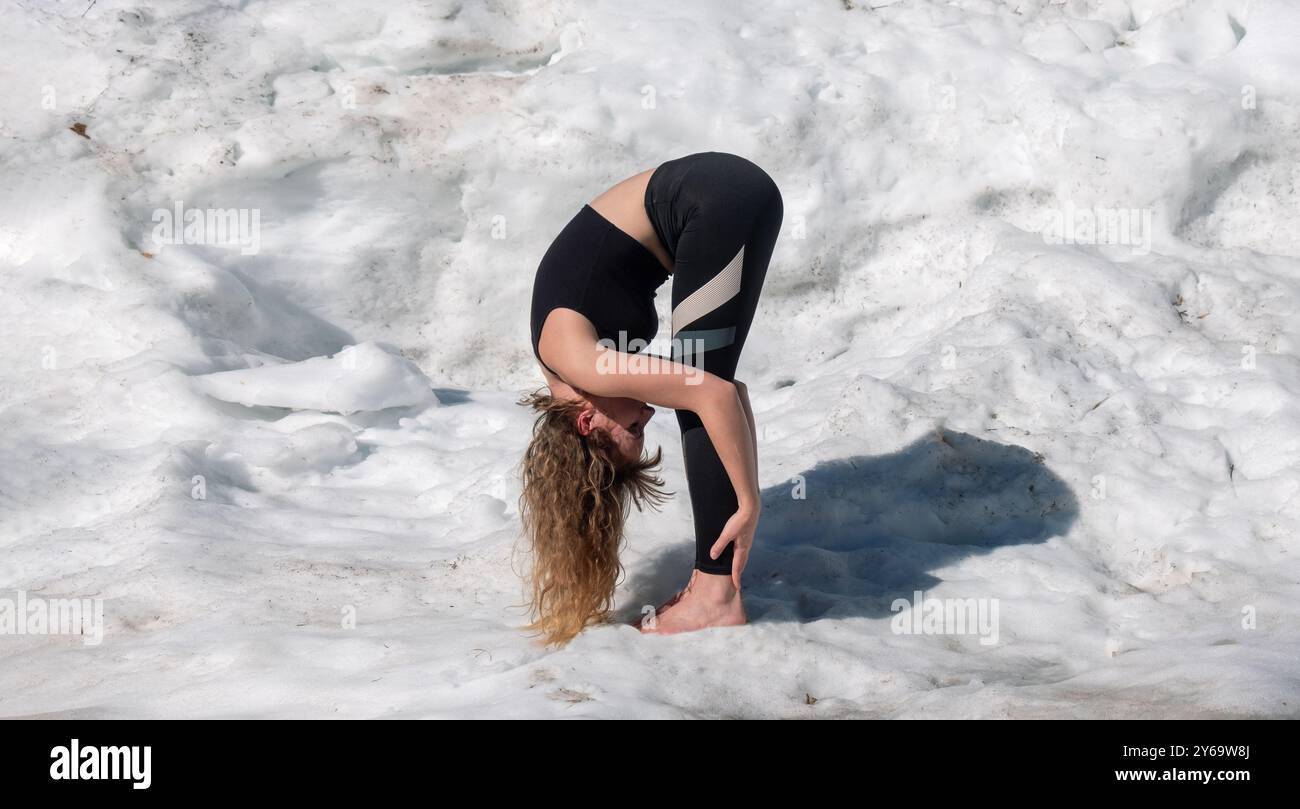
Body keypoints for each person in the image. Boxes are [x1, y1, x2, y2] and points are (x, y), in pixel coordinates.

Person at [518, 151, 783, 645]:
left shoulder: (579, 363)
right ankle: (713, 587)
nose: (647, 413)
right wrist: (746, 491)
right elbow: (731, 391)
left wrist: (749, 502)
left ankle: (716, 596)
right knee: (702, 383)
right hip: (723, 197)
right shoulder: (574, 372)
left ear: (585, 424)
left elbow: (713, 393)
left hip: (716, 199)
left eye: (633, 429)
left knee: (698, 388)